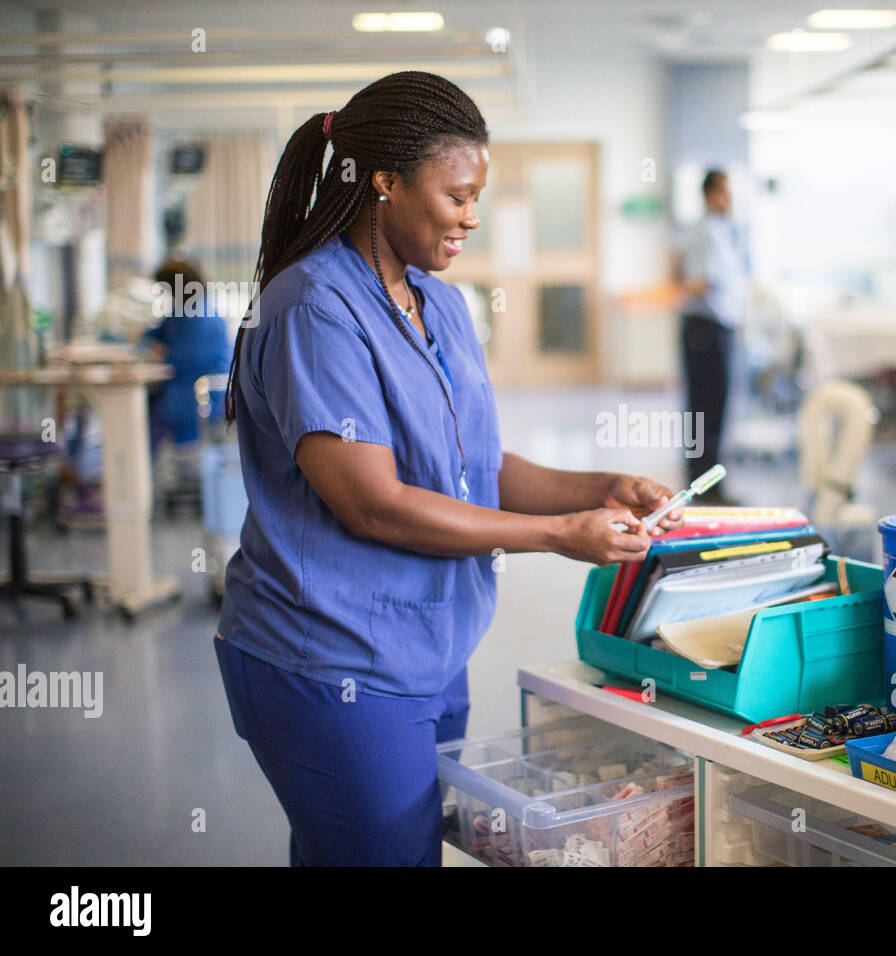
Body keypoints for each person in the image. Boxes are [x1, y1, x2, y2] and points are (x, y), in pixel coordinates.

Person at [214, 71, 683, 866]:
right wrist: (557, 533)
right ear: (387, 182)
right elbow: (376, 506)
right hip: (330, 661)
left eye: (478, 198)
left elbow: (473, 468)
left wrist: (597, 488)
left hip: (428, 650)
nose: (471, 218)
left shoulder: (440, 304)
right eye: (456, 196)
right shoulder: (313, 309)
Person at [680, 169, 747, 503]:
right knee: (705, 409)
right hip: (704, 327)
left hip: (718, 324)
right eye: (725, 192)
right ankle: (703, 484)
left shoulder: (722, 230)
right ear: (710, 194)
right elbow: (697, 280)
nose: (729, 198)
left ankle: (711, 480)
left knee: (716, 408)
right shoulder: (705, 231)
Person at [142, 259, 232, 447]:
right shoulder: (184, 307)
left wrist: (160, 353)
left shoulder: (200, 313)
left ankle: (140, 469)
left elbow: (184, 358)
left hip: (197, 390)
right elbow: (160, 332)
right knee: (144, 407)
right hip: (183, 385)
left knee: (149, 421)